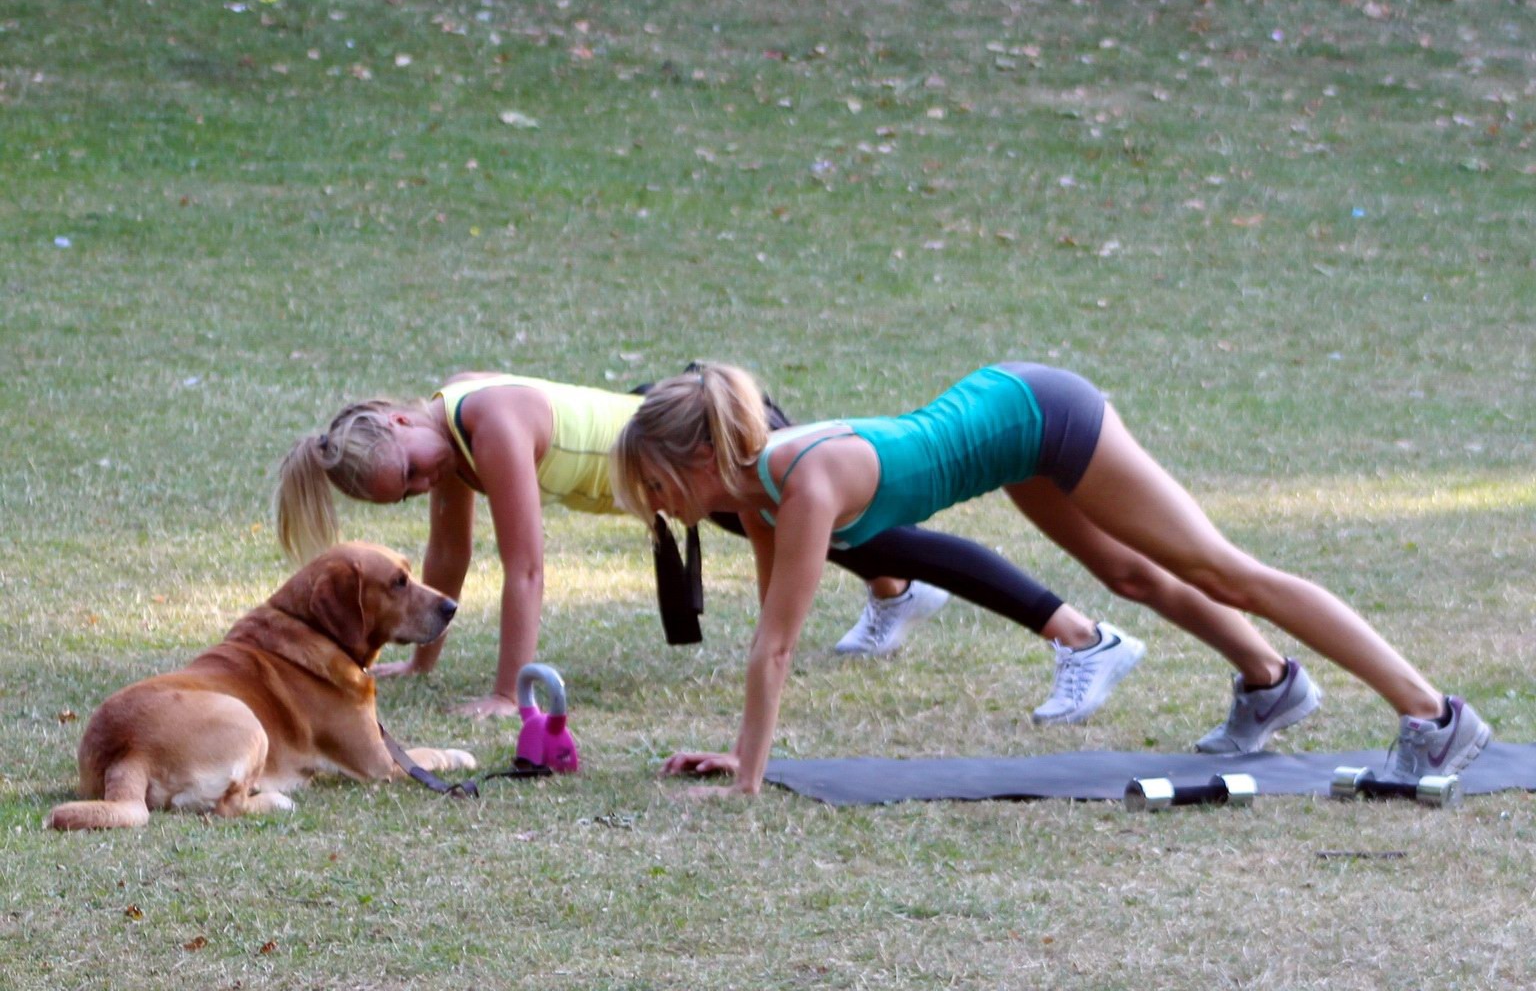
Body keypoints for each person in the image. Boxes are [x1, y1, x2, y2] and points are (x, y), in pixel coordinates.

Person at [610, 361, 1492, 797]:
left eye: (657, 484)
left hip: (1042, 412)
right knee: (1126, 573)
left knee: (1226, 569)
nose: (655, 504)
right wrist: (745, 753)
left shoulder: (803, 486)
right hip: (1011, 434)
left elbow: (776, 648)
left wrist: (749, 784)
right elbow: (776, 622)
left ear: (700, 458)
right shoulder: (763, 494)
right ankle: (1272, 686)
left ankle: (1435, 714)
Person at [274, 371, 1148, 719]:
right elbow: (450, 566)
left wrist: (510, 695)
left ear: (396, 420)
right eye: (411, 493)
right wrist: (422, 665)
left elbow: (528, 566)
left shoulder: (486, 419)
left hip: (704, 460)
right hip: (678, 468)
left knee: (890, 537)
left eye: (415, 471)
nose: (425, 486)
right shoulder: (450, 431)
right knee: (870, 544)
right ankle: (895, 594)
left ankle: (1079, 634)